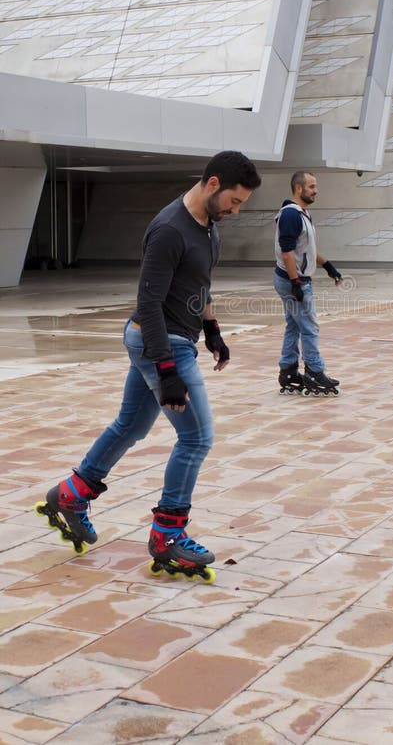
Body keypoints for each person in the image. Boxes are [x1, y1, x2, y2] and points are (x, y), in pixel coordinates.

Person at [36, 151, 261, 580]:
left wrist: (212, 329)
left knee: (131, 425)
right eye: (235, 200)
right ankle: (167, 536)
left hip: (176, 339)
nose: (236, 210)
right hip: (161, 341)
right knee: (196, 438)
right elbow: (149, 305)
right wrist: (166, 370)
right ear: (213, 184)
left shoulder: (208, 227)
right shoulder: (168, 230)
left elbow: (200, 283)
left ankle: (72, 493)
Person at [274, 170, 342, 396]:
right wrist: (295, 282)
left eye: (315, 186)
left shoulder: (302, 214)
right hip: (293, 280)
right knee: (310, 327)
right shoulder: (291, 215)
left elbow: (307, 250)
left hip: (292, 278)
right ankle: (314, 370)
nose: (316, 190)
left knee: (295, 325)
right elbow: (287, 253)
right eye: (312, 186)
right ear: (299, 188)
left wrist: (328, 265)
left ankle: (289, 369)